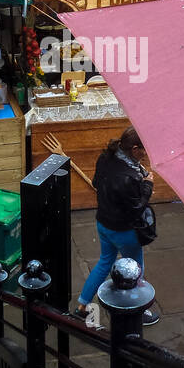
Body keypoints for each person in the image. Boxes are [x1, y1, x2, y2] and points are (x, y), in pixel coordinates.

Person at [76, 127, 159, 326]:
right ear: (135, 149)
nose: (147, 153)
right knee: (135, 270)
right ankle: (139, 311)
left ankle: (82, 307)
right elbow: (136, 208)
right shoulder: (128, 177)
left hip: (103, 223)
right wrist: (147, 185)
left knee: (104, 262)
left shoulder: (106, 157)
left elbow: (97, 182)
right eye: (145, 149)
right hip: (125, 232)